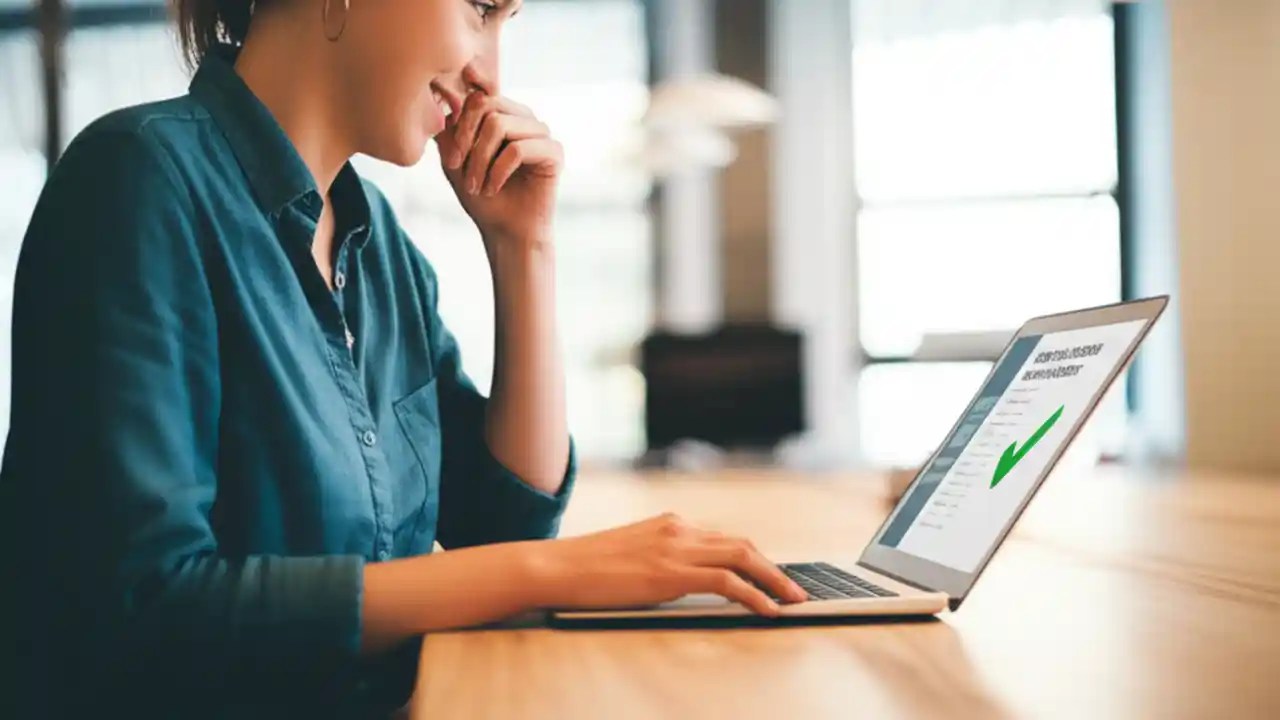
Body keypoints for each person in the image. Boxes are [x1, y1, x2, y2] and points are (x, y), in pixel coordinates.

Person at [0, 0, 808, 716]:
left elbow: (505, 523)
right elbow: (148, 606)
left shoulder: (376, 241)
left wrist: (523, 248)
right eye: (480, 8)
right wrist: (555, 572)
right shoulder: (137, 178)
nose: (490, 74)